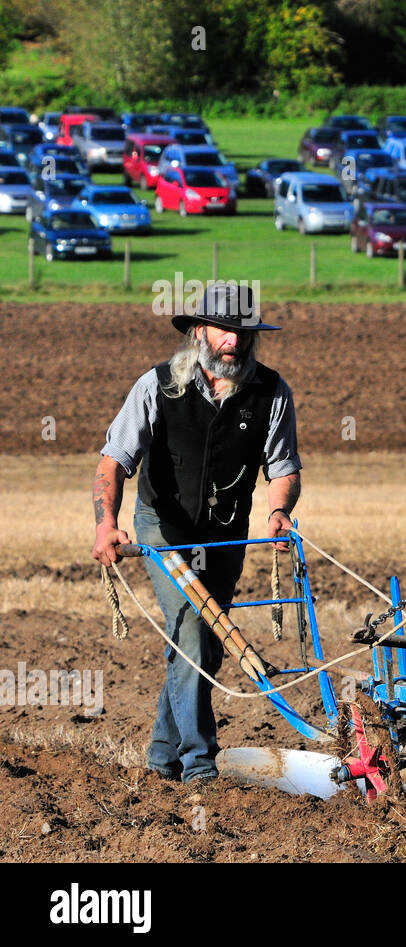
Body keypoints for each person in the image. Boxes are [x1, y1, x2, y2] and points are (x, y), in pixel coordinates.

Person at [90, 282, 302, 783]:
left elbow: (283, 467)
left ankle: (161, 756)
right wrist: (106, 523)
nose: (234, 342)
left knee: (205, 645)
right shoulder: (156, 386)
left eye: (243, 333)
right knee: (191, 630)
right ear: (199, 332)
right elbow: (113, 461)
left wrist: (278, 511)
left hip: (226, 536)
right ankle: (199, 766)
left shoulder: (271, 392)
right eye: (224, 331)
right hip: (163, 529)